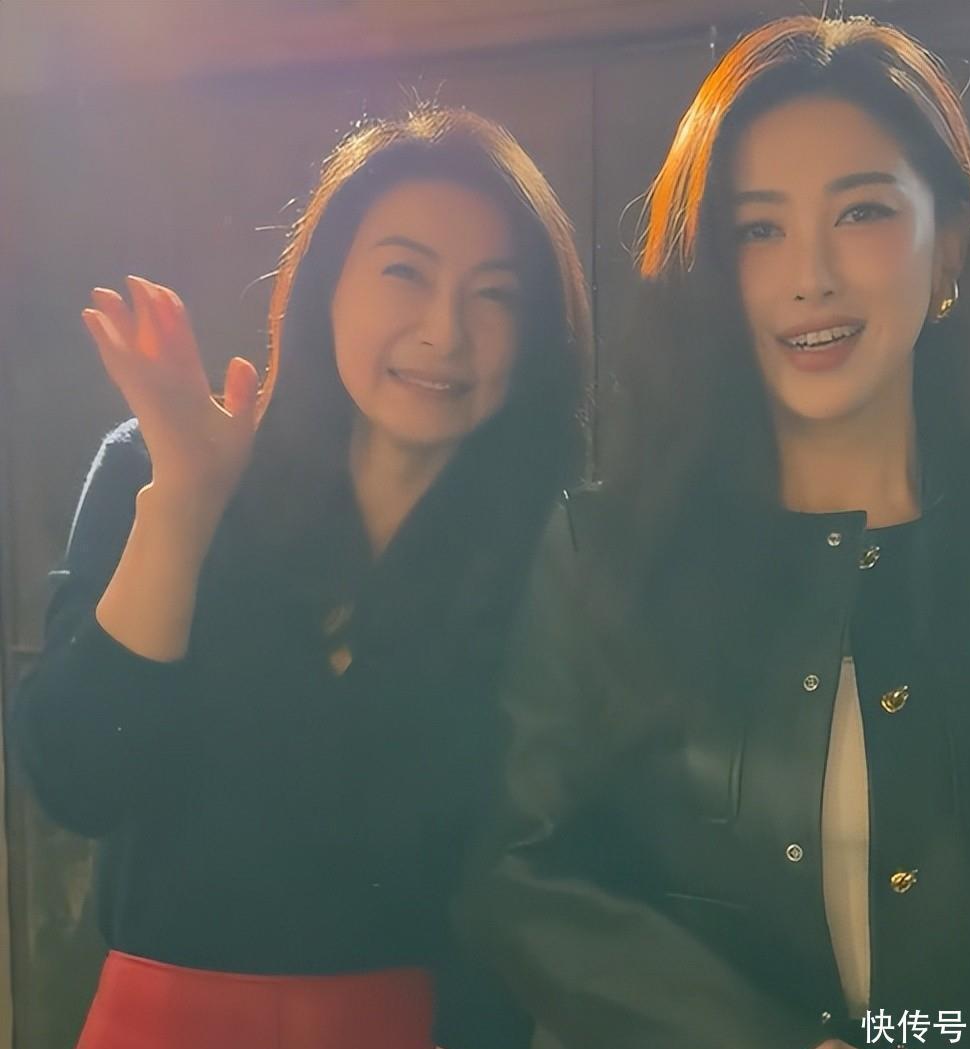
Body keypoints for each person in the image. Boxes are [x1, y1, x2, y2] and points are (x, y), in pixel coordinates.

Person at [459, 17, 970, 1049]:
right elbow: (516, 881)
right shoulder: (603, 555)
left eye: (862, 212)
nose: (810, 275)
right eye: (758, 230)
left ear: (951, 246)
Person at [13, 104, 590, 1049]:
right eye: (405, 273)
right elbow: (77, 779)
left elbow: (548, 882)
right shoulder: (157, 464)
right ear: (327, 286)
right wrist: (185, 503)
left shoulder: (558, 548)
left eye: (495, 295)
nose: (444, 330)